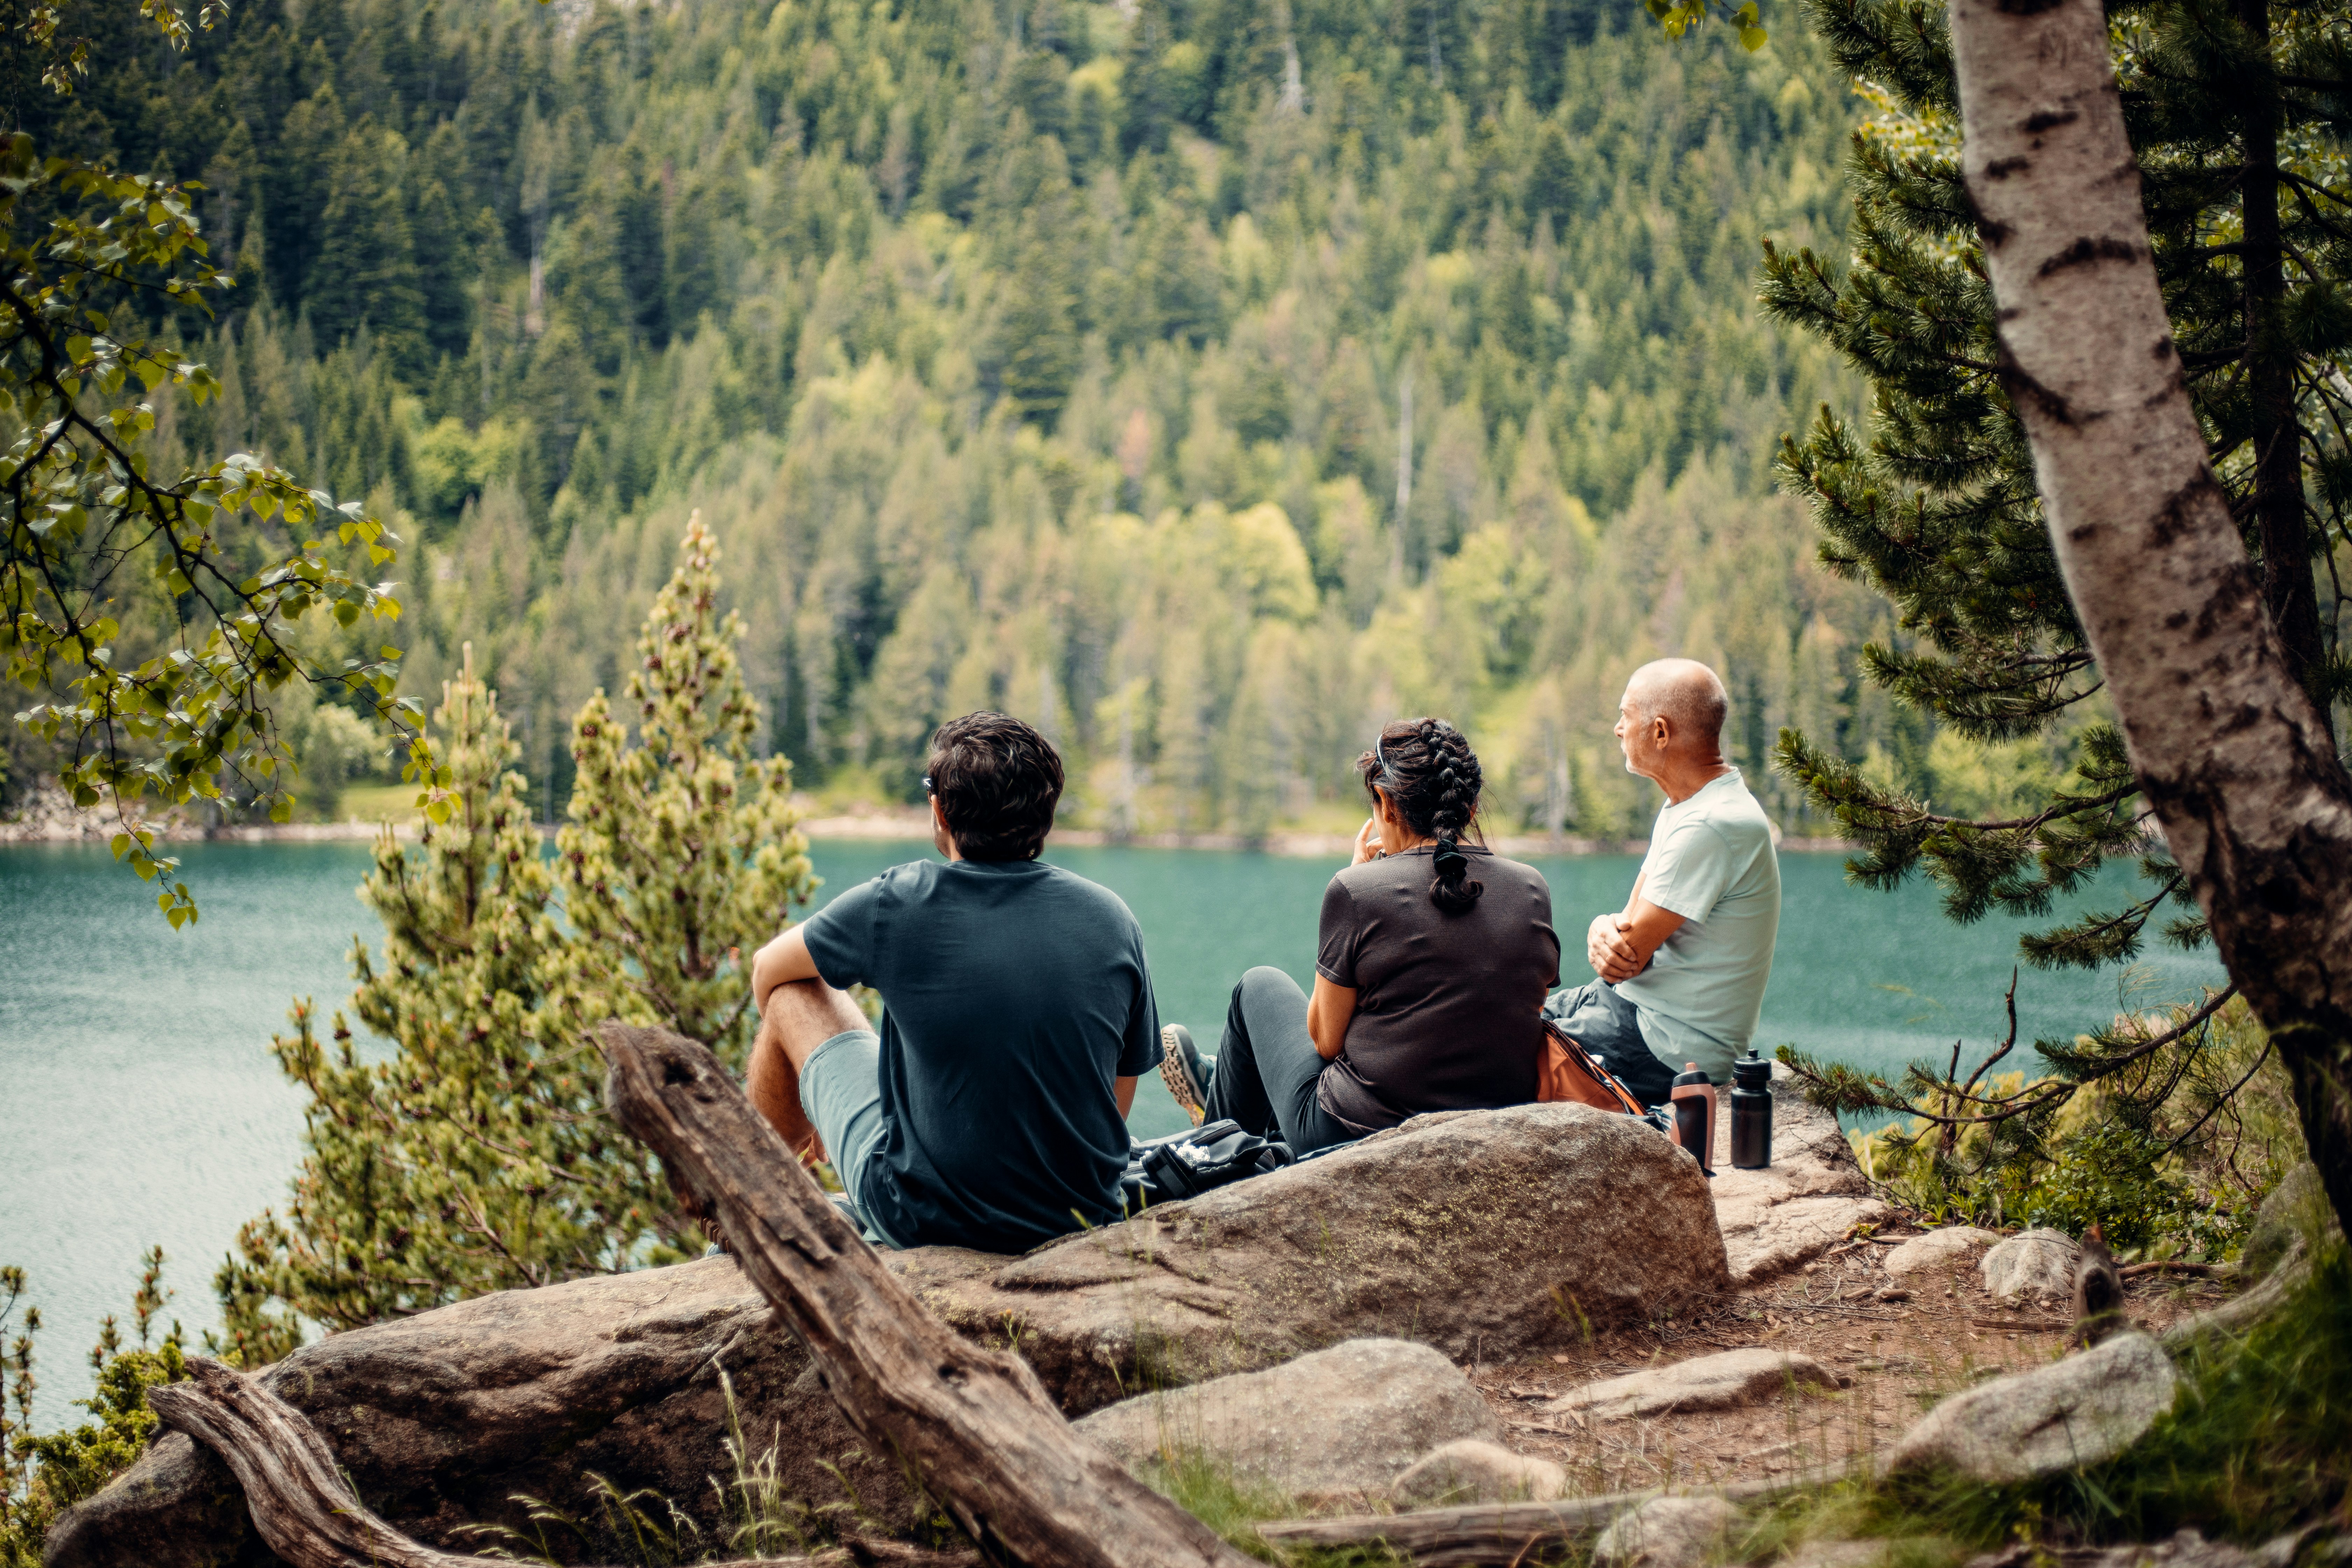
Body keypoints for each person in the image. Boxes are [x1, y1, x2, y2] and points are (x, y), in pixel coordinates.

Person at [743, 712, 1163, 1253]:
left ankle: (748, 1202)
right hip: (1080, 1210)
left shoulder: (900, 902)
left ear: (939, 810)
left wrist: (820, 1097)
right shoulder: (1111, 917)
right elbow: (1119, 1087)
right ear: (1047, 815)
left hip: (926, 1219)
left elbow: (766, 971)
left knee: (793, 993)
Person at [1157, 718, 1561, 1153]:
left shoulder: (1357, 891)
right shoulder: (1532, 888)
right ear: (1472, 806)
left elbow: (1325, 1041)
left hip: (1352, 1134)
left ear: (1386, 803)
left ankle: (1210, 1156)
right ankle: (1228, 1108)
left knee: (1259, 985)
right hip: (1494, 1124)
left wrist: (1358, 879)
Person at [1545, 658, 1781, 1107]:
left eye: (1625, 715)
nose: (1618, 729)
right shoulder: (1690, 805)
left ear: (1659, 732)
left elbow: (1626, 959)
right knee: (1506, 1016)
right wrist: (1600, 927)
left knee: (1503, 1053)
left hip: (1670, 1046)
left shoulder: (1710, 825)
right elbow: (1626, 928)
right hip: (1634, 1010)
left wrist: (1609, 937)